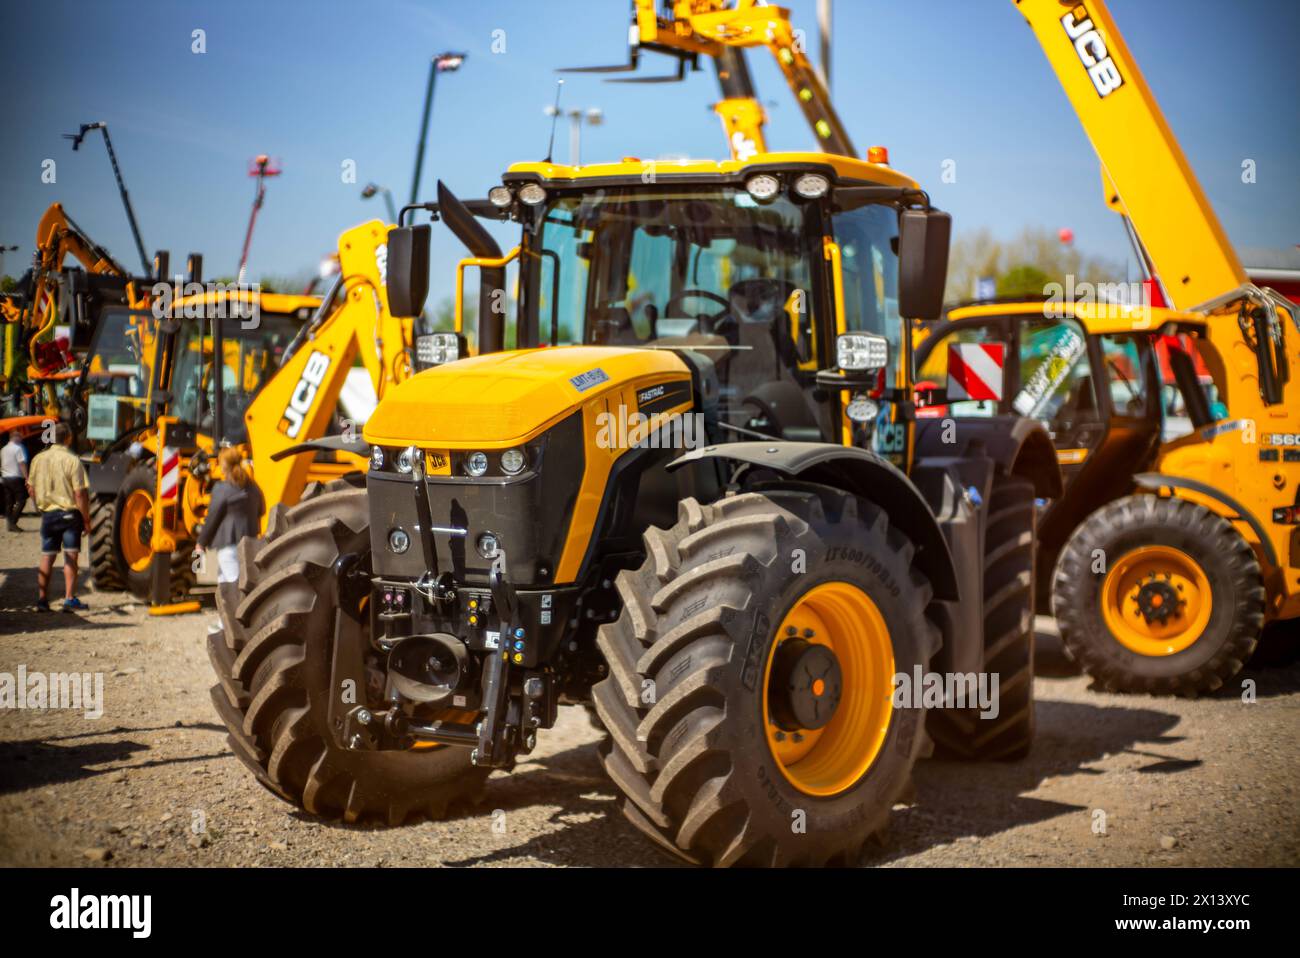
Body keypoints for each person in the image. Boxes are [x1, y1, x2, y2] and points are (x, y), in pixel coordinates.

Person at [27, 422, 91, 612]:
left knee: (47, 557)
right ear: (68, 438)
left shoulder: (38, 459)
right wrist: (86, 520)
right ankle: (69, 599)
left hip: (48, 515)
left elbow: (30, 488)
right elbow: (79, 494)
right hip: (70, 516)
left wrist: (39, 505)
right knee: (71, 556)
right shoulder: (72, 460)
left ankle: (42, 600)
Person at [197, 447, 265, 587]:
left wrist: (201, 542)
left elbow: (212, 518)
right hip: (251, 543)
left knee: (234, 587)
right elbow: (261, 510)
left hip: (229, 546)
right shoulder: (253, 487)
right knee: (226, 584)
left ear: (224, 466)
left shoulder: (222, 488)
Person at [1, 430, 29, 531]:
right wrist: (27, 477)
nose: (21, 439)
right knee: (22, 500)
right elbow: (22, 464)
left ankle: (9, 524)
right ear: (15, 437)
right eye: (20, 437)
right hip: (16, 477)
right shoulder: (18, 448)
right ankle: (13, 522)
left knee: (9, 502)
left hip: (5, 477)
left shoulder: (3, 449)